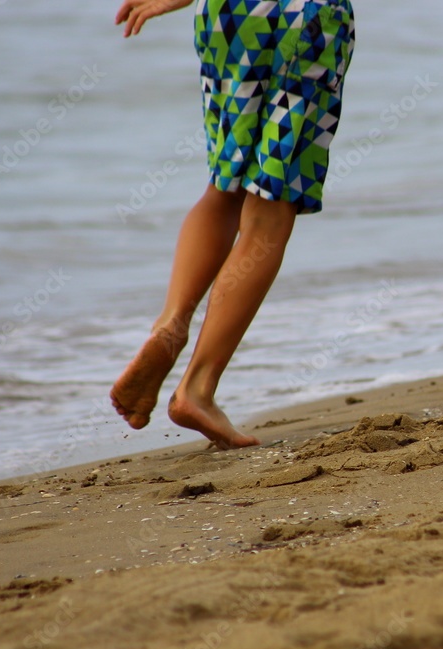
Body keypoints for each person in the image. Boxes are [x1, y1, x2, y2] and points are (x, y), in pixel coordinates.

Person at [110, 0, 354, 448]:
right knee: (270, 210)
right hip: (306, 16)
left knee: (225, 185)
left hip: (229, 14)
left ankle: (170, 322)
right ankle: (196, 390)